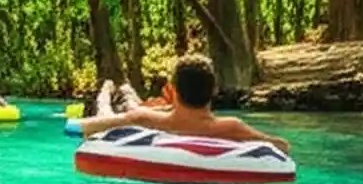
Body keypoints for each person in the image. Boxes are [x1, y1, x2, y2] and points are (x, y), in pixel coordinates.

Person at [80, 54, 290, 153]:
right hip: (168, 113)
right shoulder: (230, 128)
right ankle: (116, 89)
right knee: (129, 102)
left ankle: (109, 88)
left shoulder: (145, 119)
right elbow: (282, 147)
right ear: (214, 90)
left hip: (148, 117)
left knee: (114, 106)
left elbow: (88, 128)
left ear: (172, 91)